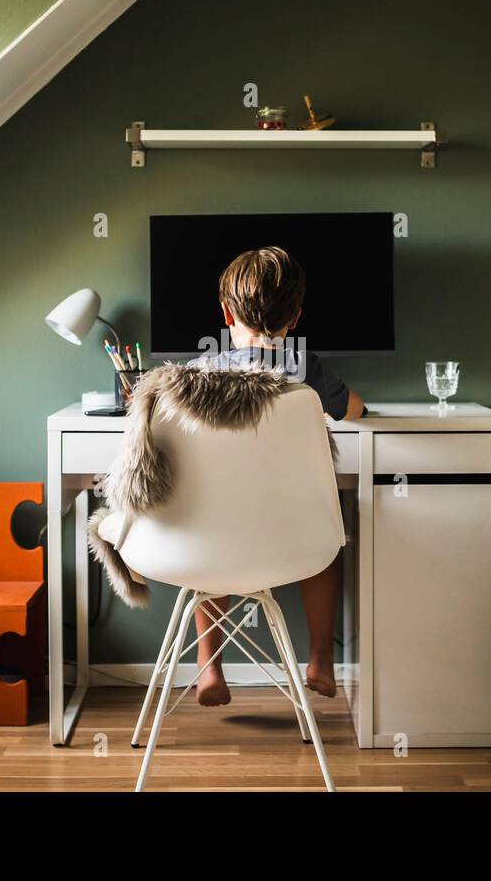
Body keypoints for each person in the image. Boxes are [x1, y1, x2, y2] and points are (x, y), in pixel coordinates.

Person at [187, 246, 363, 706]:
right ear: (298, 316)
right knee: (327, 550)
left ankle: (209, 667)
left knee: (206, 558)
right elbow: (353, 411)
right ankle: (321, 661)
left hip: (219, 534)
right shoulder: (308, 369)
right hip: (293, 536)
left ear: (225, 313)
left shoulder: (198, 375)